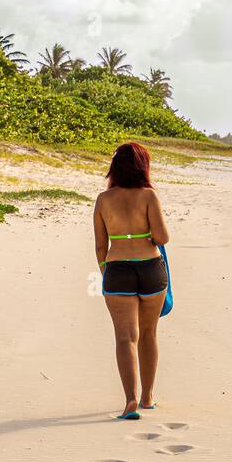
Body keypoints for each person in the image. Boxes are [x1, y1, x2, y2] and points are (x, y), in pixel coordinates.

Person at [93, 142, 169, 418]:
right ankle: (148, 397)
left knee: (125, 338)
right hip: (150, 269)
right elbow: (162, 238)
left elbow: (101, 246)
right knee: (149, 334)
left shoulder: (104, 200)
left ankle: (130, 401)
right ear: (143, 166)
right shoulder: (149, 196)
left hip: (118, 270)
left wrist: (106, 272)